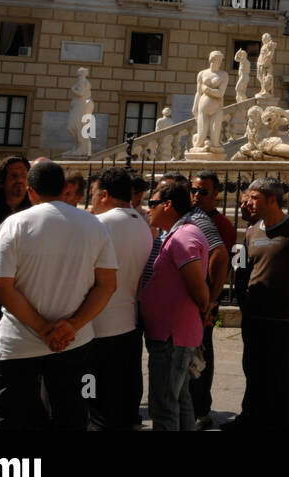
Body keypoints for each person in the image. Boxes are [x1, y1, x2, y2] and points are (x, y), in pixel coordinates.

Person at [0, 160, 118, 430]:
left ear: (30, 191)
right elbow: (107, 285)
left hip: (19, 340)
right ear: (63, 188)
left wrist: (43, 328)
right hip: (75, 339)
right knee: (71, 413)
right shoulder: (93, 225)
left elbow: (0, 285)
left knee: (13, 417)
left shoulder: (15, 224)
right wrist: (71, 326)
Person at [226, 178, 289, 431]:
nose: (248, 202)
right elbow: (242, 266)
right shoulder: (251, 230)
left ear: (272, 200)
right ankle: (251, 419)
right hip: (253, 314)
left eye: (254, 198)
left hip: (280, 317)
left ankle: (284, 424)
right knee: (253, 370)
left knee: (279, 375)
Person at [86, 168, 154, 431]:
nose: (91, 201)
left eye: (92, 194)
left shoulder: (99, 224)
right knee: (120, 402)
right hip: (128, 322)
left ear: (104, 194)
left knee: (95, 404)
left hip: (97, 325)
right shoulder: (142, 224)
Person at [139, 181, 208, 431]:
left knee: (164, 404)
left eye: (153, 203)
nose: (148, 209)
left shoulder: (183, 236)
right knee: (180, 398)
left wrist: (204, 307)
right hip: (172, 334)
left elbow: (197, 284)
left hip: (173, 336)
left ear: (167, 205)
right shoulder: (176, 234)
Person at [189, 171, 235, 430]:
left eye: (203, 191)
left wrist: (212, 301)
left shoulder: (221, 225)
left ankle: (201, 410)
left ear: (216, 193)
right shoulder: (189, 218)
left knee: (202, 354)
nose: (196, 195)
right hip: (186, 301)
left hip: (205, 302)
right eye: (193, 190)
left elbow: (222, 264)